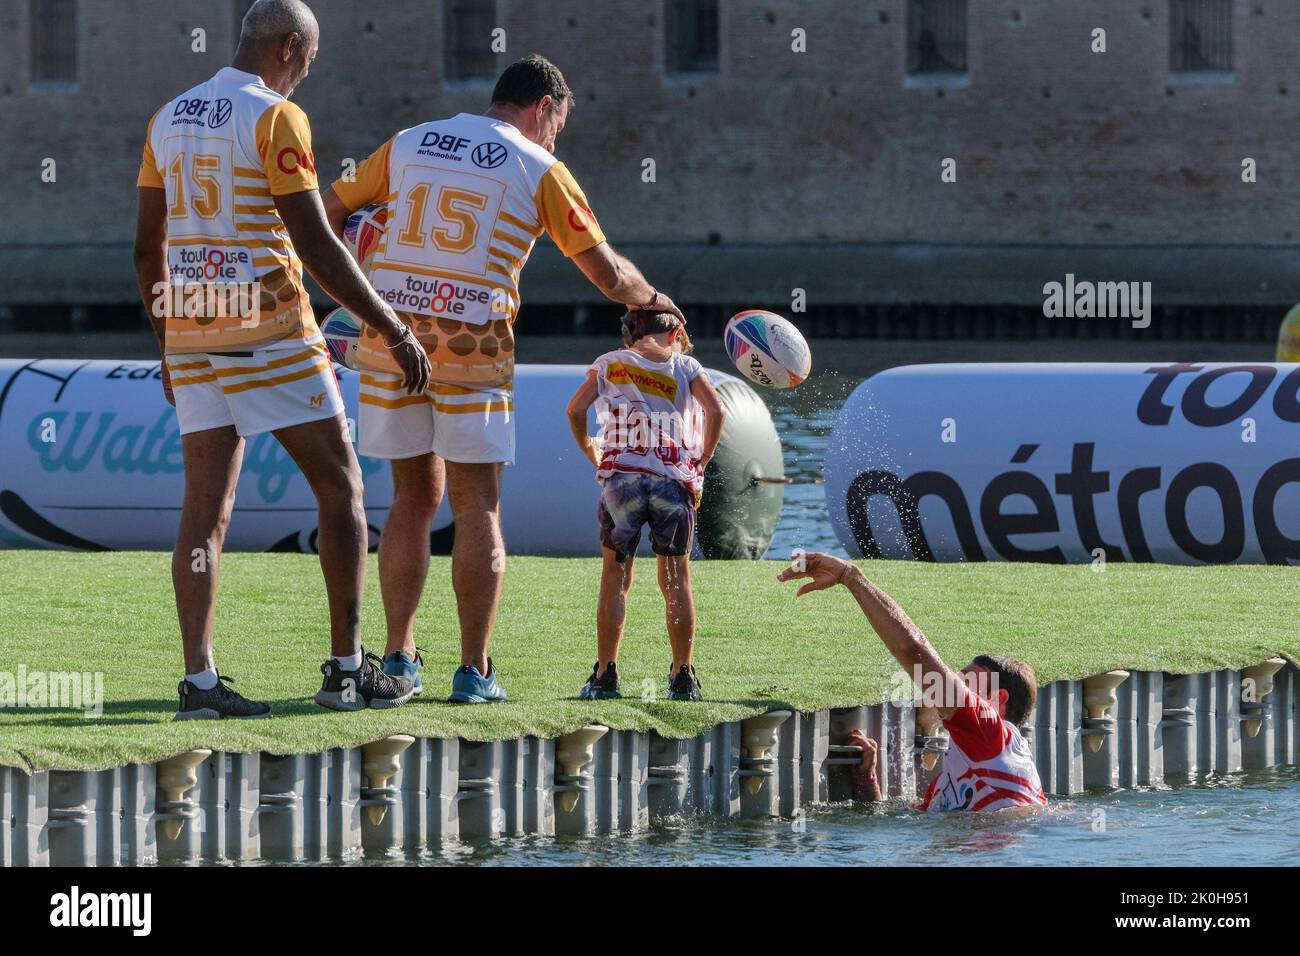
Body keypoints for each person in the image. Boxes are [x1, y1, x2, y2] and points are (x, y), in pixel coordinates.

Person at [321, 54, 687, 703]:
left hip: (391, 338)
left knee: (409, 500)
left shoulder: (409, 142)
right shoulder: (540, 167)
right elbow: (605, 272)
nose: (556, 139)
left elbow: (328, 211)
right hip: (471, 347)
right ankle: (473, 672)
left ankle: (399, 659)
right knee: (477, 506)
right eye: (558, 126)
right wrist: (653, 299)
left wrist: (361, 274)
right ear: (544, 108)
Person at [133, 0, 430, 719]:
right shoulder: (275, 117)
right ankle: (346, 672)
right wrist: (389, 326)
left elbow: (147, 249)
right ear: (292, 49)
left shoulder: (166, 117)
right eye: (311, 61)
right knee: (343, 490)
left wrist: (167, 341)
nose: (305, 76)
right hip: (267, 321)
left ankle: (200, 684)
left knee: (204, 512)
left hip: (192, 321)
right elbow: (317, 242)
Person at [777, 552, 1047, 811]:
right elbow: (898, 823)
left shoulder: (990, 731)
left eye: (965, 682)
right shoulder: (957, 776)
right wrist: (866, 779)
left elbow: (912, 650)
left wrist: (850, 575)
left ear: (997, 701)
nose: (953, 685)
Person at [564, 311, 724, 701]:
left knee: (615, 578)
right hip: (672, 481)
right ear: (677, 334)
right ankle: (683, 675)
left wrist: (590, 449)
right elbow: (717, 411)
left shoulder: (609, 363)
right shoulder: (686, 366)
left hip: (622, 481)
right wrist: (702, 459)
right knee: (675, 581)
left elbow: (574, 409)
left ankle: (605, 675)